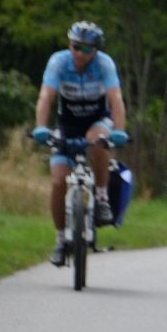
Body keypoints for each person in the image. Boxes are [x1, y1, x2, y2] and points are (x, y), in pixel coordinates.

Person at [31, 21, 129, 265]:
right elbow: (46, 96)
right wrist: (41, 128)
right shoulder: (59, 62)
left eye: (86, 49)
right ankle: (61, 239)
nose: (79, 53)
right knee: (57, 180)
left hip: (97, 120)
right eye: (75, 46)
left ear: (96, 50)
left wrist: (119, 131)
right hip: (67, 125)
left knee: (97, 141)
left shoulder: (104, 64)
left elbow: (116, 99)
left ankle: (103, 198)